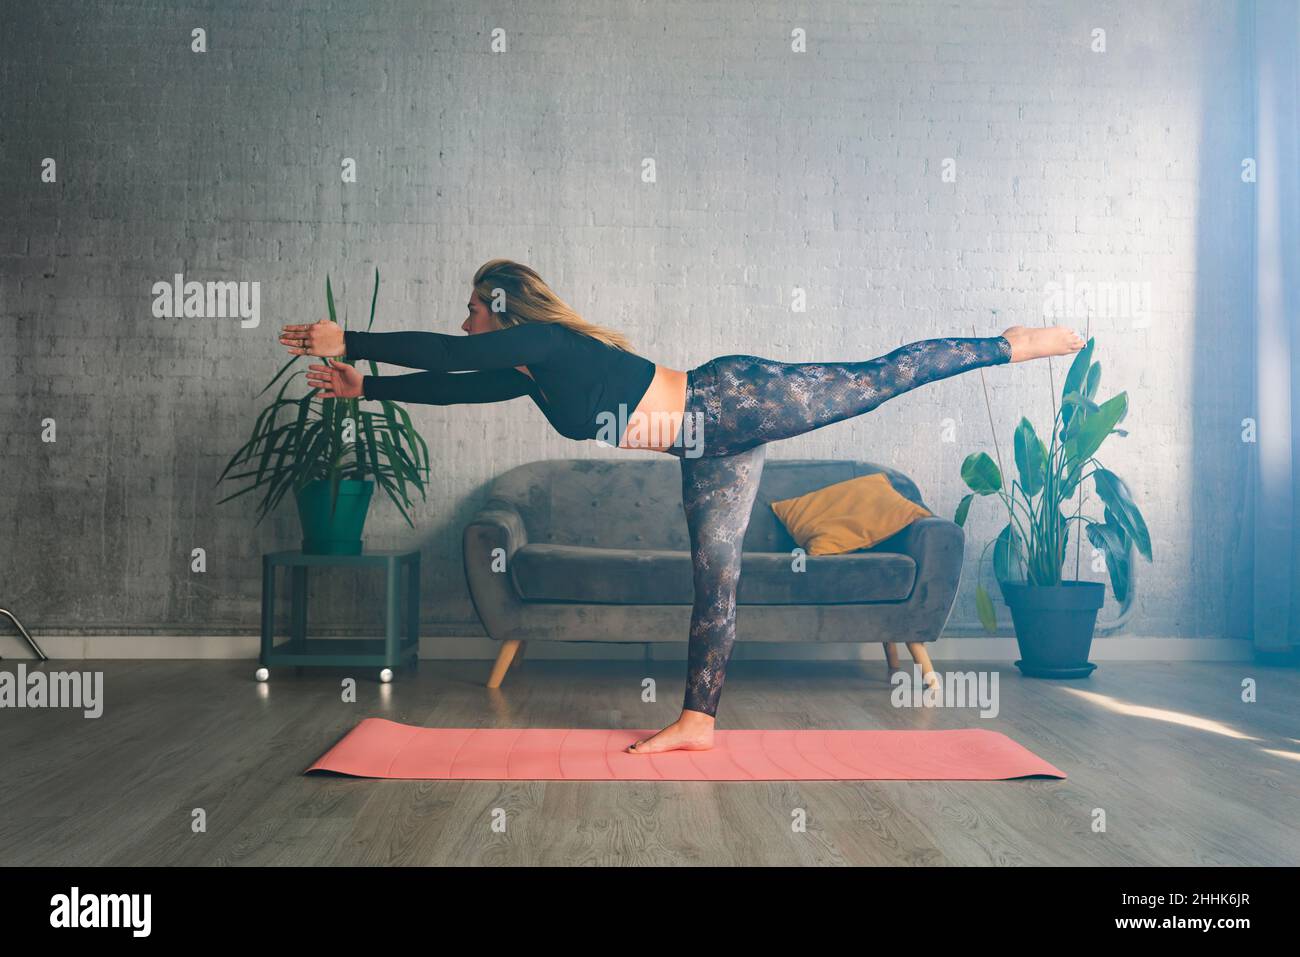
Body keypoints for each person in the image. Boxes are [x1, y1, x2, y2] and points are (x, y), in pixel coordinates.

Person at [280, 259, 1085, 754]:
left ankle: (1011, 344)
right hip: (706, 447)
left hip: (734, 399)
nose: (467, 320)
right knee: (716, 583)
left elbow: (453, 353)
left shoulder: (548, 345)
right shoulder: (532, 369)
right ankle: (699, 720)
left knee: (880, 378)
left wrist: (352, 339)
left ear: (502, 309)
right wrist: (371, 385)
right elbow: (461, 382)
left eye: (474, 306)